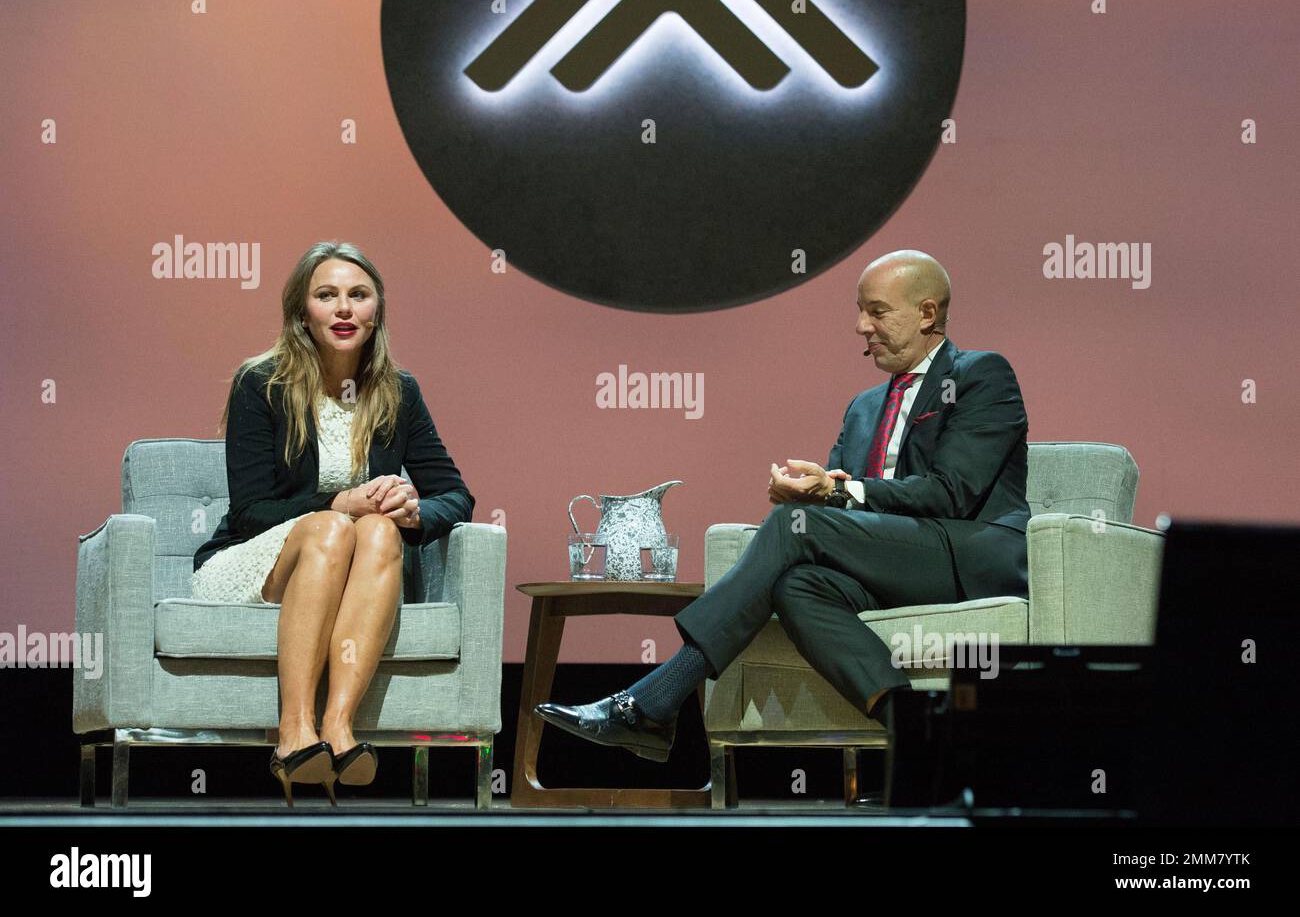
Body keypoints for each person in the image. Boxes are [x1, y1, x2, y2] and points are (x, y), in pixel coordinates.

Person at [535, 249, 1030, 764]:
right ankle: (914, 732)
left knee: (795, 527)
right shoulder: (862, 408)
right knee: (795, 584)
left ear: (927, 314)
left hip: (959, 556)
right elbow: (841, 506)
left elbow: (951, 492)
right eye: (860, 310)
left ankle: (653, 703)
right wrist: (806, 493)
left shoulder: (981, 375)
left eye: (877, 311)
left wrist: (833, 496)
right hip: (886, 562)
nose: (861, 325)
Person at [190, 240, 474, 807]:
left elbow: (456, 495)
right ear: (302, 312)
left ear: (377, 312)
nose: (344, 309)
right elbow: (249, 512)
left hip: (351, 560)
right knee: (334, 527)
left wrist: (415, 510)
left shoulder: (398, 392)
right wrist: (339, 504)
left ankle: (338, 727)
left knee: (378, 529)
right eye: (327, 295)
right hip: (257, 561)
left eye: (358, 295)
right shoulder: (261, 384)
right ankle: (294, 732)